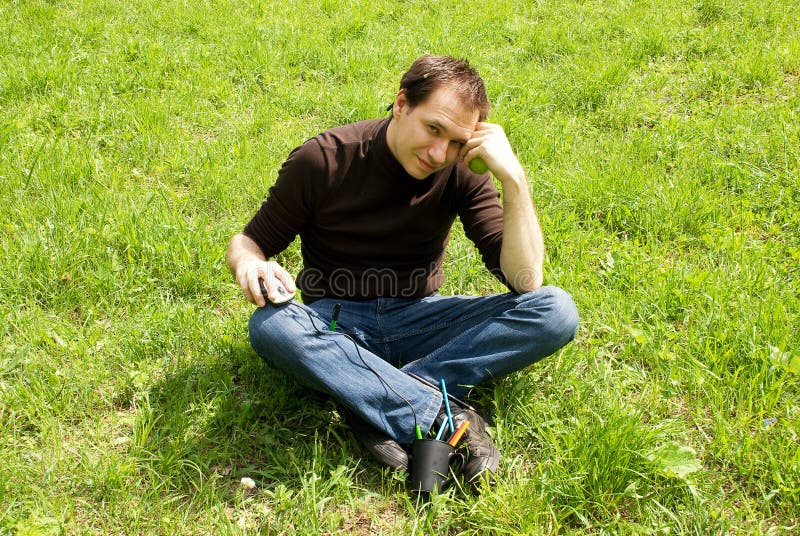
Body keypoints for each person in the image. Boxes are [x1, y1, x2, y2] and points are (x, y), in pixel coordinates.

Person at [226, 55, 579, 489]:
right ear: (401, 104)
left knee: (556, 311)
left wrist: (515, 180)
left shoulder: (459, 170)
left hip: (421, 318)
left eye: (456, 141)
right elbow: (249, 241)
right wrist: (250, 263)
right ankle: (438, 413)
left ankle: (370, 398)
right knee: (271, 325)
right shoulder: (324, 159)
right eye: (433, 128)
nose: (439, 153)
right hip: (337, 323)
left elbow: (526, 281)